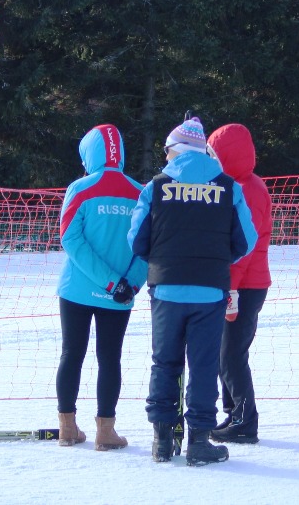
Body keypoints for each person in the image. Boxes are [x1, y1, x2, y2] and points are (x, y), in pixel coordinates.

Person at [127, 116, 256, 467]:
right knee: (201, 365)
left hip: (166, 289)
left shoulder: (155, 186)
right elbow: (247, 240)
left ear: (175, 150)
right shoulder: (229, 187)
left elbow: (136, 240)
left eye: (167, 152)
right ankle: (199, 441)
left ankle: (161, 440)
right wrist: (218, 259)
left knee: (164, 362)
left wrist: (163, 260)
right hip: (209, 291)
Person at [54, 124, 145, 450]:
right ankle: (105, 432)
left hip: (76, 288)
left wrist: (106, 280)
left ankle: (67, 428)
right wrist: (128, 283)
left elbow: (70, 238)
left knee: (71, 354)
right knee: (110, 359)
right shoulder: (139, 192)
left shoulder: (80, 188)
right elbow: (147, 246)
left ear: (88, 153)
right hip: (119, 293)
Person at [207, 123, 272, 444]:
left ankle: (246, 421)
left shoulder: (249, 189)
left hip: (245, 285)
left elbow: (244, 246)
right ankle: (233, 412)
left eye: (215, 155)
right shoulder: (234, 186)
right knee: (225, 351)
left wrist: (230, 288)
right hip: (235, 282)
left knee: (231, 354)